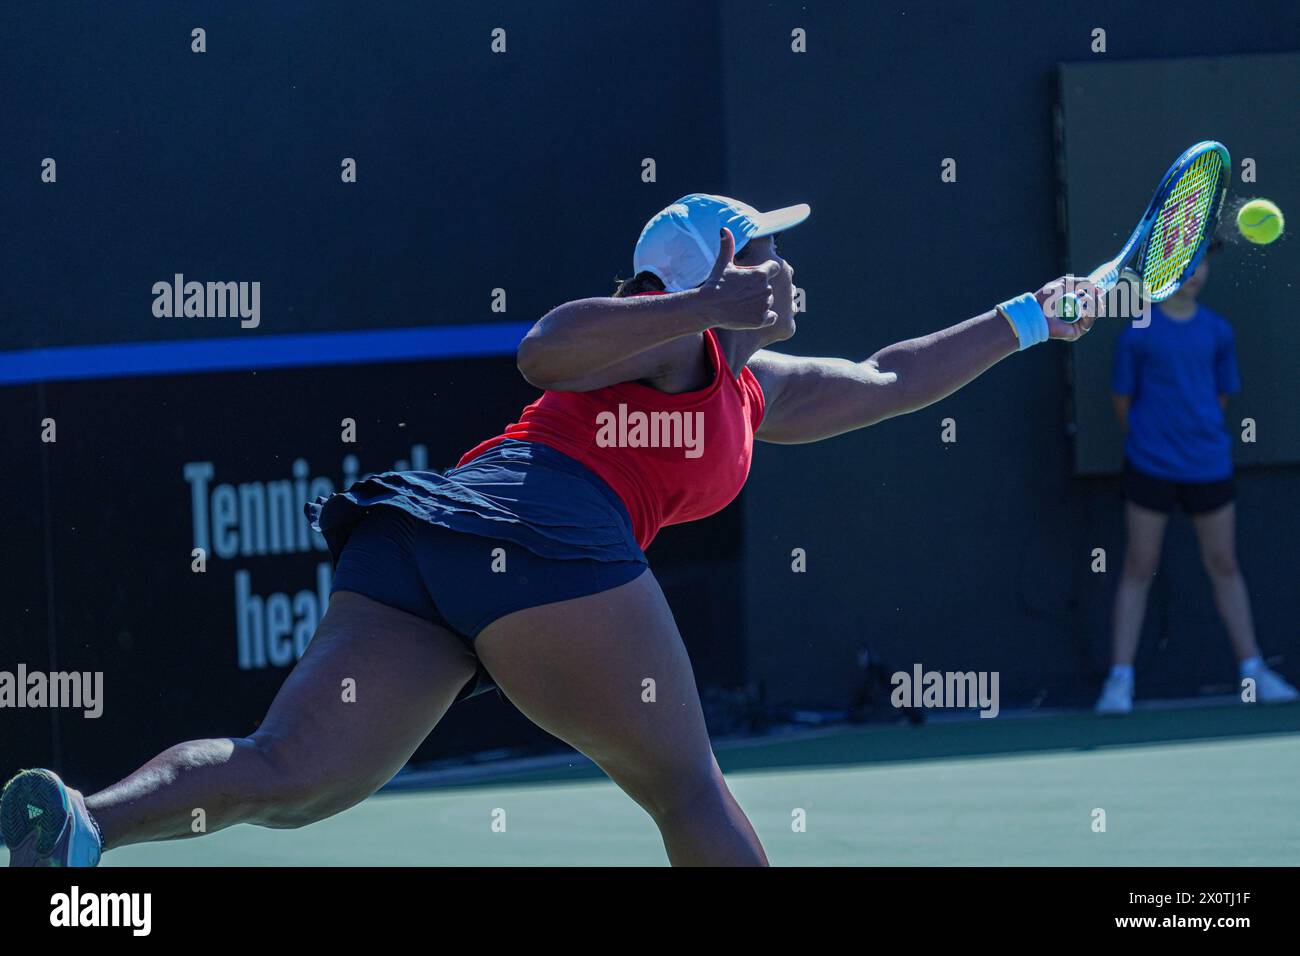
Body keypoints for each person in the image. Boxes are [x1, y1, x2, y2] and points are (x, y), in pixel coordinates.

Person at [3, 193, 1099, 867]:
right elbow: (541, 348)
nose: (786, 266)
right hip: (535, 530)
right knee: (687, 786)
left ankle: (84, 828)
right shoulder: (666, 340)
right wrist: (702, 308)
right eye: (764, 248)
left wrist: (1040, 312)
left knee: (293, 778)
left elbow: (889, 375)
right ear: (718, 268)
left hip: (433, 544)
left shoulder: (747, 385)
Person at [1095, 249, 1298, 714]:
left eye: (1202, 262)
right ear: (1166, 269)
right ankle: (1118, 683)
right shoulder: (1139, 331)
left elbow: (1221, 397)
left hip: (1209, 465)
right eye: (1185, 263)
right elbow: (1122, 400)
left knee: (1224, 562)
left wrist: (1193, 439)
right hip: (1149, 466)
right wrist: (1154, 443)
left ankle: (1253, 672)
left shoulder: (1218, 331)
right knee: (1137, 565)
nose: (1194, 272)